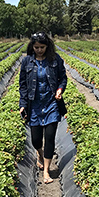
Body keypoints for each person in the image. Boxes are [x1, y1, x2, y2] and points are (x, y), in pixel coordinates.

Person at [19, 32, 67, 184]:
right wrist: (22, 104)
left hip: (51, 103)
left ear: (47, 46)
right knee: (36, 139)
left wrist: (60, 90)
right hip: (34, 105)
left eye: (42, 47)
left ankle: (46, 171)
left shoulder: (55, 60)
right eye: (36, 47)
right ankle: (39, 153)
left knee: (50, 137)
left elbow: (63, 78)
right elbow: (23, 86)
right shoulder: (27, 62)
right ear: (32, 47)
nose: (39, 50)